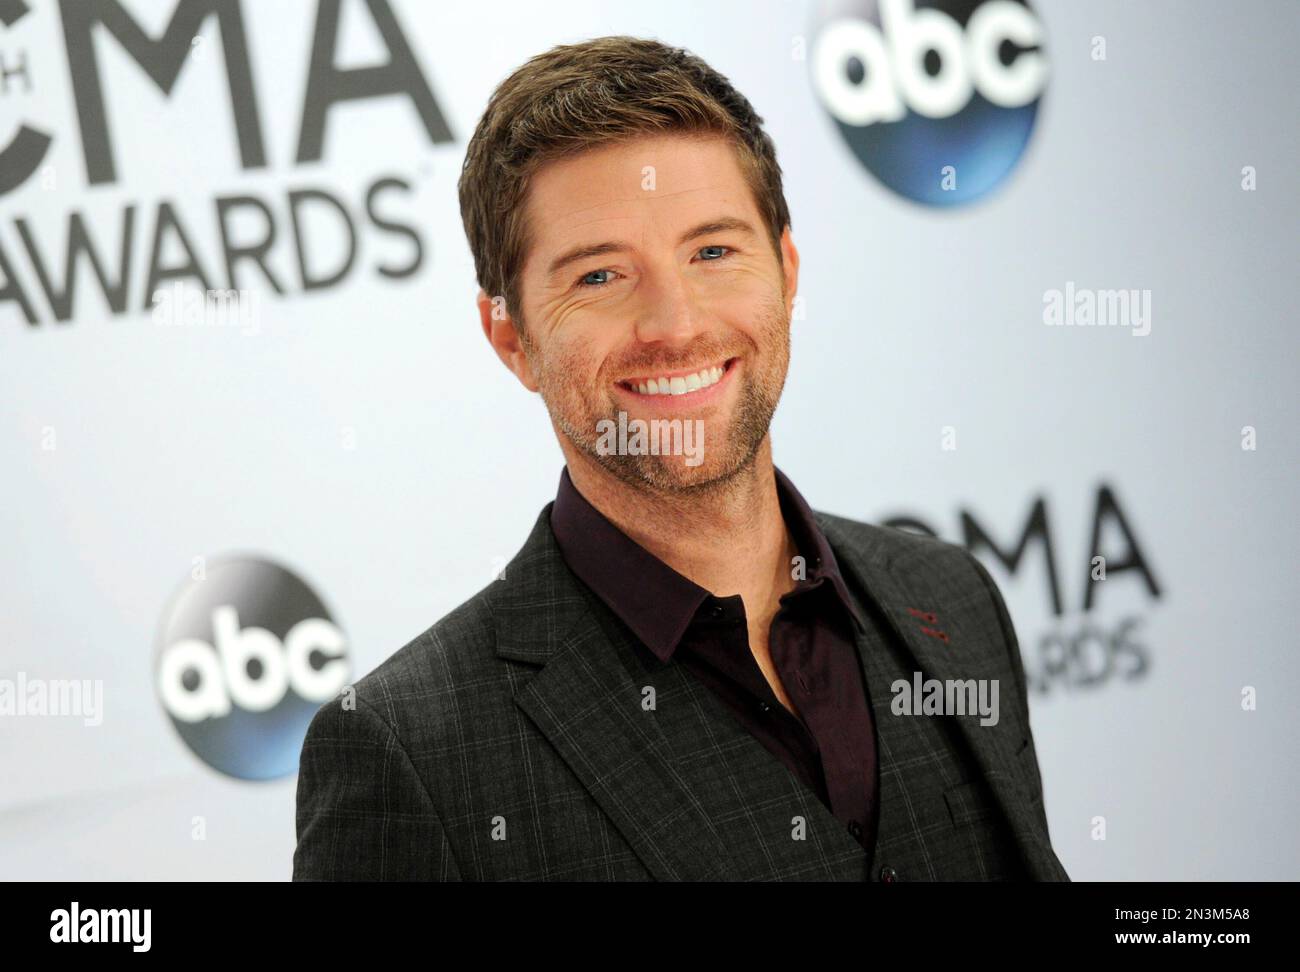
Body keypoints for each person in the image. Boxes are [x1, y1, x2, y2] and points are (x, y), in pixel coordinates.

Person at [293, 34, 1068, 882]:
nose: (675, 324)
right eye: (598, 277)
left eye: (711, 252)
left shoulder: (949, 599)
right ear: (511, 338)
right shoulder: (411, 753)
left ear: (786, 269)